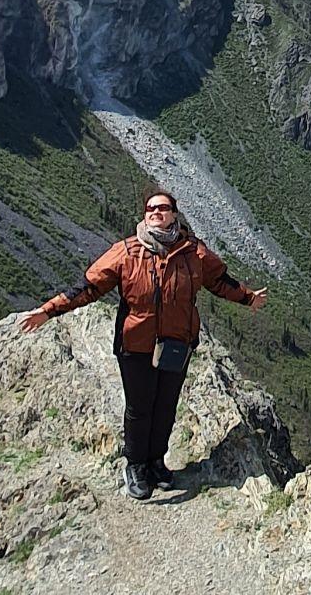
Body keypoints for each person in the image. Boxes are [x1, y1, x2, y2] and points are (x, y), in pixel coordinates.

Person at [19, 189, 267, 500]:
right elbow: (89, 287)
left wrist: (247, 297)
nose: (156, 212)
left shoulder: (193, 252)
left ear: (175, 214)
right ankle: (136, 465)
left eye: (163, 208)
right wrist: (49, 310)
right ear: (144, 214)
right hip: (135, 345)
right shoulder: (126, 252)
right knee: (140, 408)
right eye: (151, 208)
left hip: (177, 343)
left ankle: (156, 461)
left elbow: (219, 281)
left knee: (165, 406)